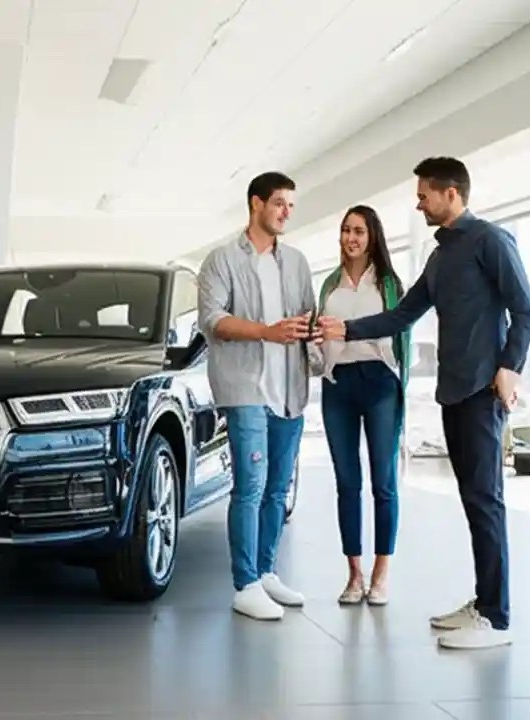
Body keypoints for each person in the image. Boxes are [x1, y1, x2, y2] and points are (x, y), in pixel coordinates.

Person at [318, 157, 530, 649]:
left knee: (486, 502)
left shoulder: (491, 241)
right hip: (453, 392)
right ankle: (483, 602)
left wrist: (510, 366)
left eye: (424, 195)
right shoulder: (441, 256)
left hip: (483, 391)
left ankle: (496, 617)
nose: (418, 203)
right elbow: (403, 314)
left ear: (451, 195)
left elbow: (525, 310)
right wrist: (347, 328)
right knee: (472, 502)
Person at [196, 171, 320, 621]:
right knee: (249, 487)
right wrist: (266, 332)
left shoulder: (298, 263)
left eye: (291, 204)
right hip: (246, 386)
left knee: (276, 488)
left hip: (290, 388)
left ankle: (266, 572)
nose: (287, 212)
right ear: (256, 204)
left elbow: (308, 319)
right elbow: (213, 321)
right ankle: (244, 582)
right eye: (280, 203)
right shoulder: (222, 260)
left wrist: (316, 333)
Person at [314, 205, 409, 607]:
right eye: (345, 230)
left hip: (380, 383)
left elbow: (400, 331)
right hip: (338, 384)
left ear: (373, 237)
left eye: (359, 231)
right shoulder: (329, 287)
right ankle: (354, 574)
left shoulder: (388, 284)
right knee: (346, 481)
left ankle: (380, 574)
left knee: (383, 482)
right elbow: (320, 339)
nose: (350, 238)